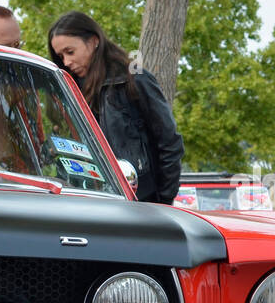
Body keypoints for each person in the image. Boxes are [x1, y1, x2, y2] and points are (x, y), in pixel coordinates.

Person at [47, 11, 183, 205]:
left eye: (70, 52)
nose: (67, 62)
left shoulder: (135, 79)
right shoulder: (69, 91)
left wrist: (161, 201)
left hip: (139, 205)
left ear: (94, 41)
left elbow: (170, 142)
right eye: (61, 56)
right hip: (87, 203)